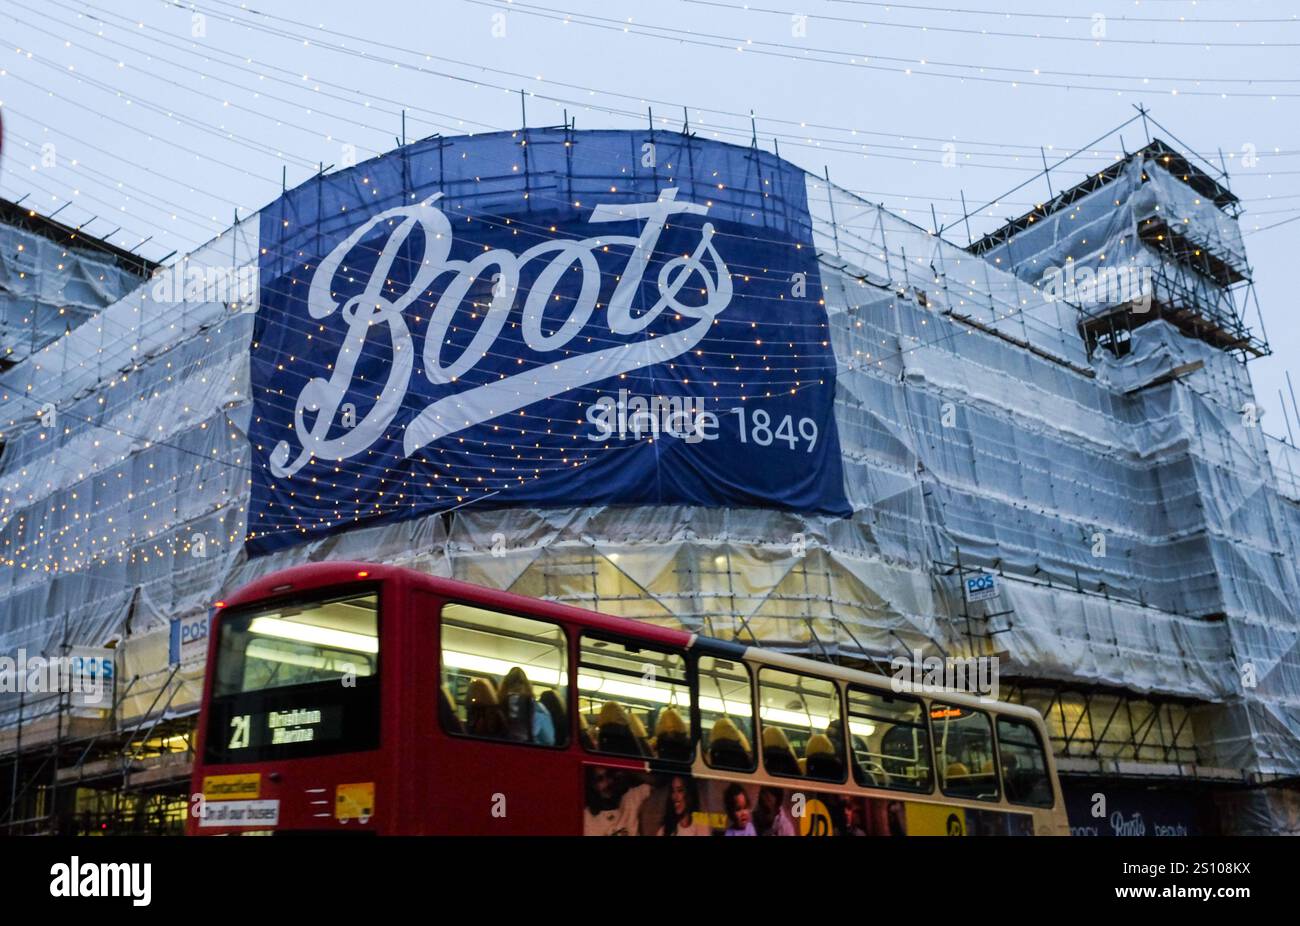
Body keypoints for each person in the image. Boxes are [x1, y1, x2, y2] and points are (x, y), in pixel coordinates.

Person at [583, 766, 651, 836]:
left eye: (609, 775)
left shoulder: (632, 797)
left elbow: (658, 783)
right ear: (593, 785)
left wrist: (626, 771)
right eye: (600, 779)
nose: (607, 783)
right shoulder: (587, 817)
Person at [498, 666, 555, 745]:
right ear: (526, 686)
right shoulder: (538, 708)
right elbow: (549, 739)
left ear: (505, 686)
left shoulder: (497, 705)